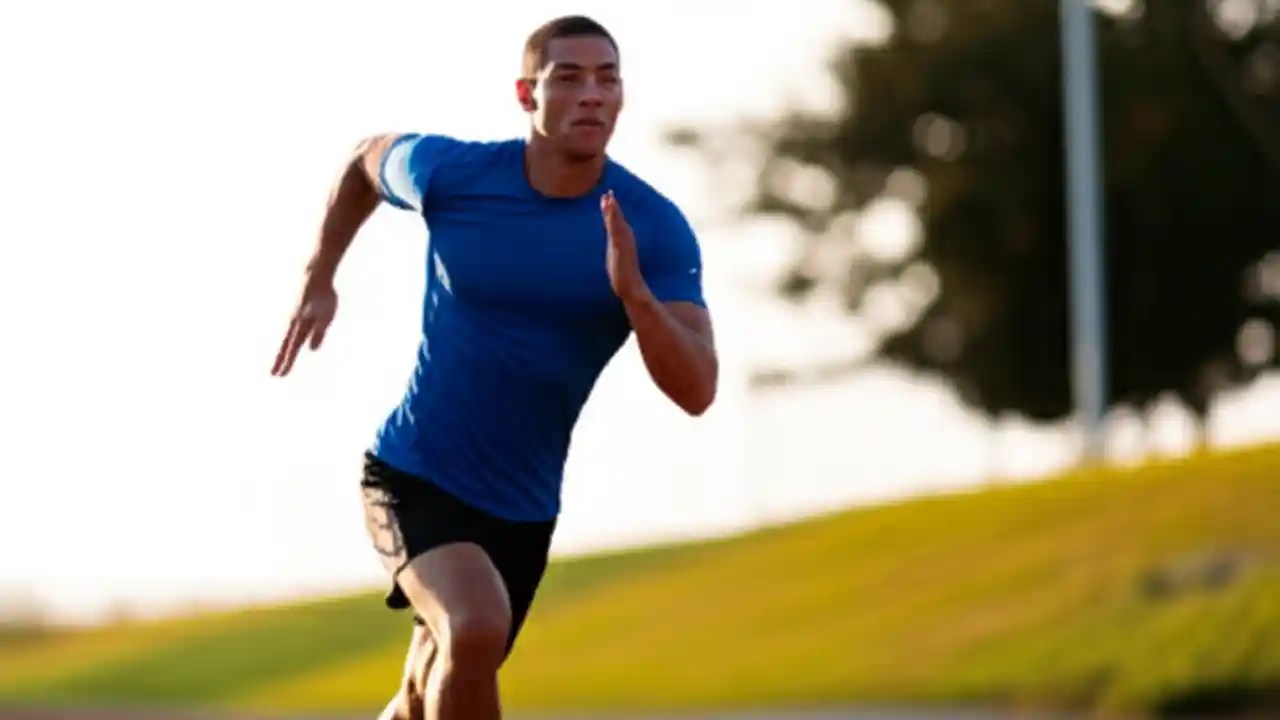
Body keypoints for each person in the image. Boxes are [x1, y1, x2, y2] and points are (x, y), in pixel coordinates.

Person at [268, 13, 717, 720]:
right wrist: (319, 271)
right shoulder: (454, 175)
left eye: (608, 79)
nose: (592, 94)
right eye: (568, 78)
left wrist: (635, 297)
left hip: (523, 511)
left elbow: (697, 389)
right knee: (474, 629)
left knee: (425, 694)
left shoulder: (651, 227)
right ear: (526, 95)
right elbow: (364, 160)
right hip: (413, 474)